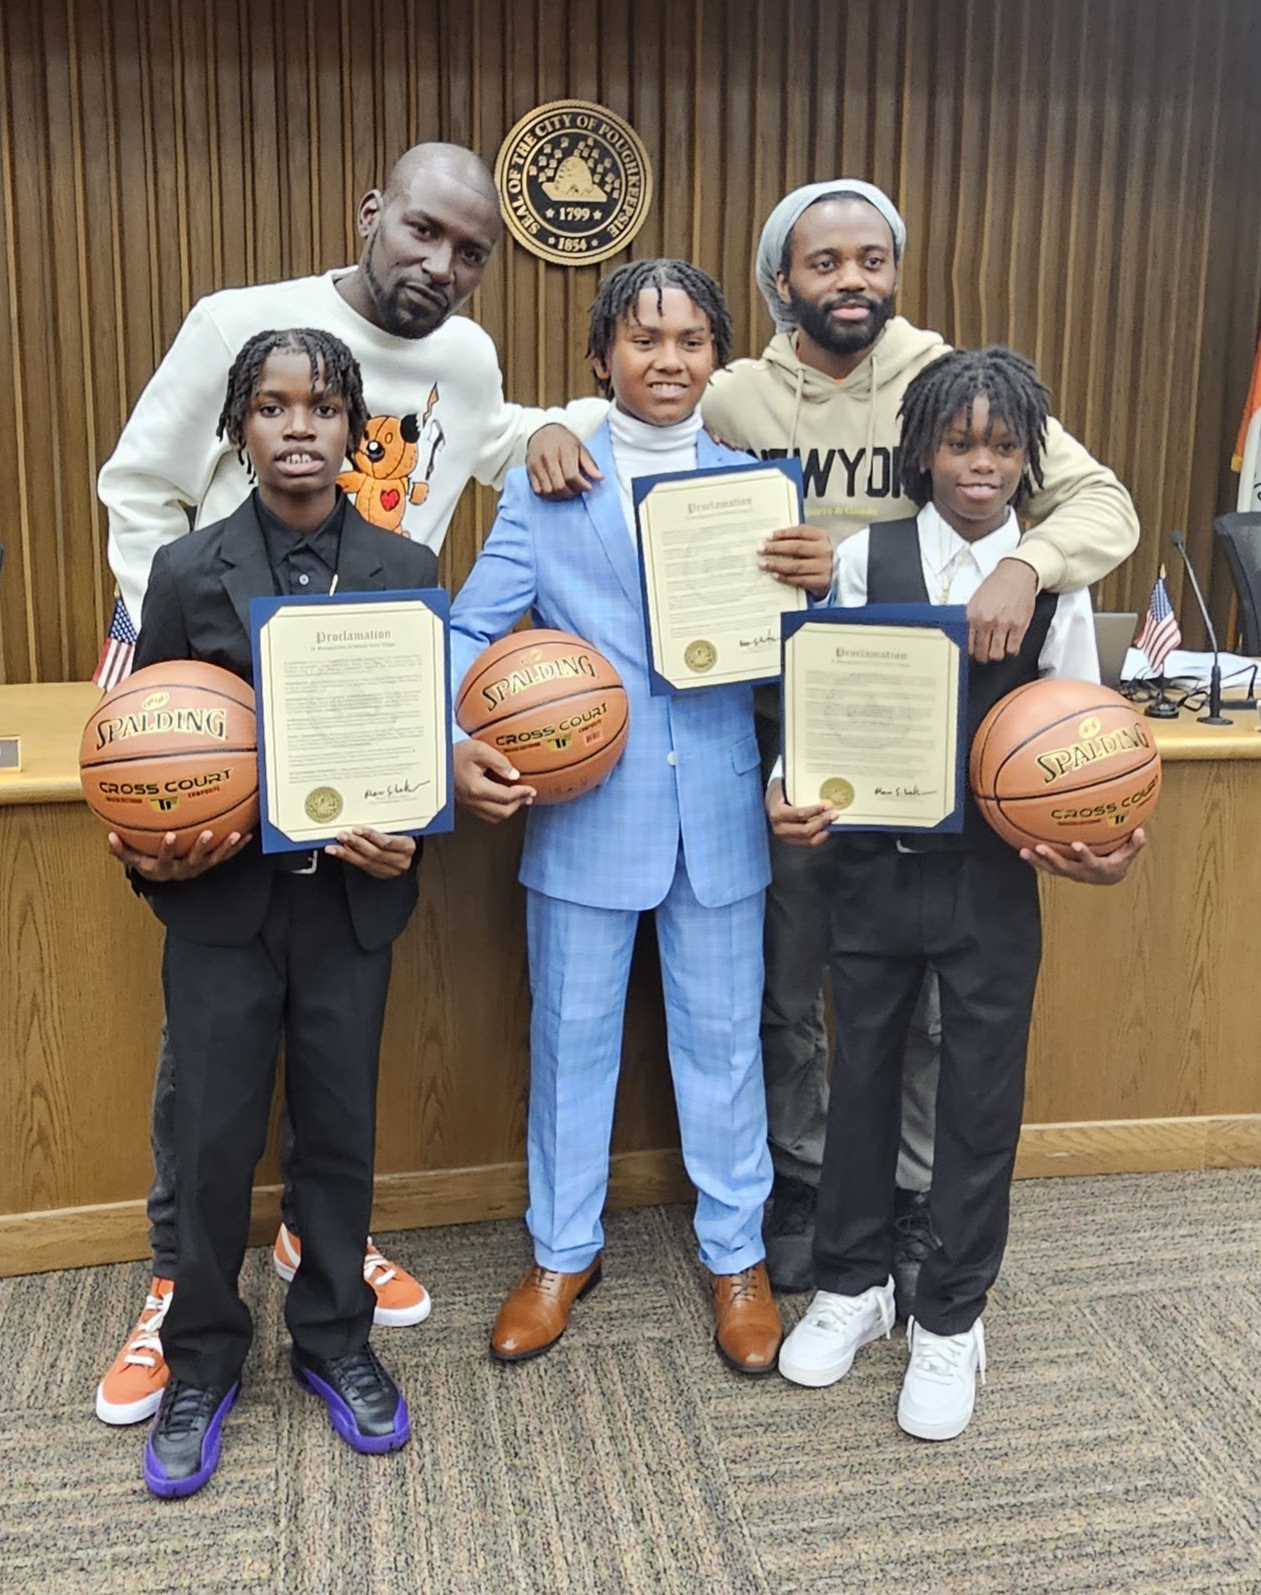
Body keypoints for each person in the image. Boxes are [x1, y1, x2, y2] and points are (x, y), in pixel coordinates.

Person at [94, 142, 608, 1428]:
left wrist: (548, 428)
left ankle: (319, 1273)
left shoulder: (464, 358)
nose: (442, 266)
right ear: (369, 213)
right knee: (205, 1073)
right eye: (423, 232)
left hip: (365, 713)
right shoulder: (238, 324)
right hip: (225, 704)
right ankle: (184, 1289)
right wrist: (198, 697)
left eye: (471, 252)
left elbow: (485, 440)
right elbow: (139, 488)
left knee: (337, 1068)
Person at [700, 181, 1140, 1315]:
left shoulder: (954, 385)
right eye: (823, 261)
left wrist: (1026, 563)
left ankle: (905, 1190)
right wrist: (552, 433)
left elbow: (1103, 508)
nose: (851, 279)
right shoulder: (735, 397)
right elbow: (644, 452)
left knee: (932, 1008)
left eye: (871, 259)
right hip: (800, 723)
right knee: (797, 981)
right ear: (780, 280)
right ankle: (807, 1179)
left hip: (953, 739)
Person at [448, 260, 833, 1372]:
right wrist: (458, 742)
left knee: (722, 1045)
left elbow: (792, 663)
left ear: (719, 356)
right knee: (570, 1042)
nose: (667, 360)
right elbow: (469, 636)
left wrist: (819, 588)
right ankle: (561, 1251)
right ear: (600, 358)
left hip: (718, 808)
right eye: (642, 339)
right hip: (582, 815)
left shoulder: (760, 491)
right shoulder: (545, 483)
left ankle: (735, 1255)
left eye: (690, 341)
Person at [767, 346, 1145, 1440]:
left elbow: (1085, 735)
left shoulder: (1053, 580)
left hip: (992, 876)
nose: (980, 461)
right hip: (870, 873)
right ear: (920, 451)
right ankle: (852, 1283)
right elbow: (813, 711)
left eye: (1002, 442)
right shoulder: (858, 560)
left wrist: (1108, 837)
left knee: (978, 1099)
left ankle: (949, 1311)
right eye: (958, 440)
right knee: (860, 1078)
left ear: (1028, 457)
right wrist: (783, 788)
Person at [113, 327, 436, 1497]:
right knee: (209, 1145)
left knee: (339, 1136)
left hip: (352, 904)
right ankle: (201, 1355)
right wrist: (156, 852)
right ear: (238, 425)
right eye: (271, 405)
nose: (297, 427)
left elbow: (416, 750)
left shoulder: (405, 566)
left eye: (321, 407)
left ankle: (335, 1337)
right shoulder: (186, 573)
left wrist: (407, 832)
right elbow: (137, 757)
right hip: (221, 912)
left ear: (357, 428)